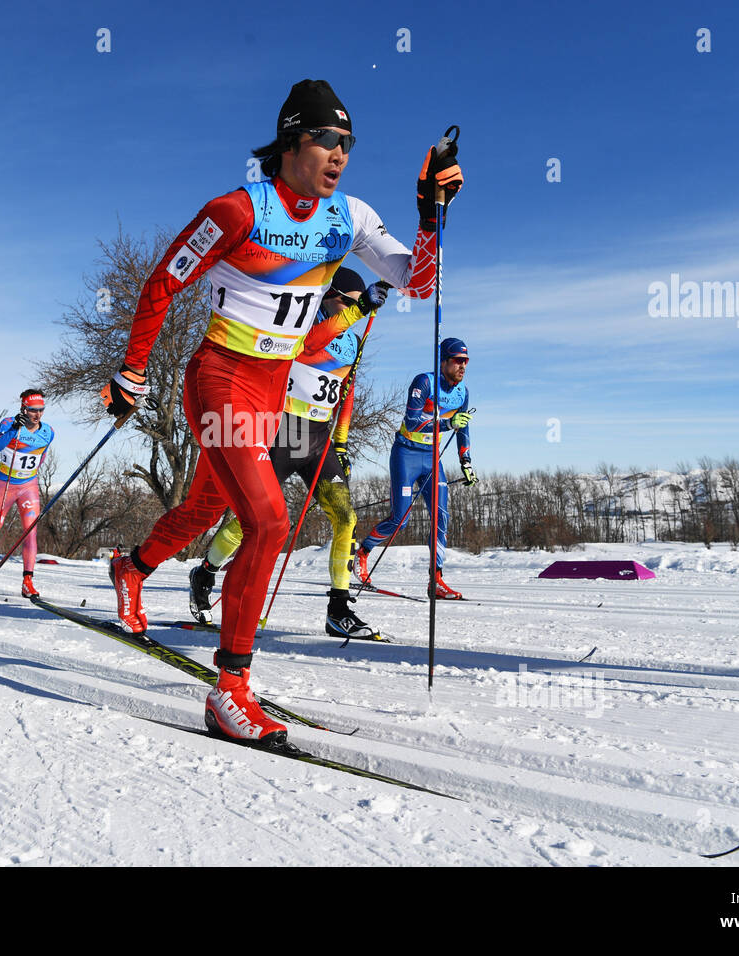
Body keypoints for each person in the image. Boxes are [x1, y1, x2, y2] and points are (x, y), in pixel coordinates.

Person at [100, 78, 462, 745]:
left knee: (212, 505)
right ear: (292, 141)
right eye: (328, 139)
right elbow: (163, 280)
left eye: (348, 144)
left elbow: (417, 281)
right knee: (268, 519)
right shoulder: (238, 210)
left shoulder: (348, 217)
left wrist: (429, 213)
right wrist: (131, 368)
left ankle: (133, 568)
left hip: (273, 389)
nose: (340, 155)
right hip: (221, 377)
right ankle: (230, 689)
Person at [189, 265, 381, 640]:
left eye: (360, 307)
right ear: (329, 296)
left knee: (346, 518)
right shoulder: (302, 322)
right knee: (256, 521)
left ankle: (338, 609)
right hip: (285, 432)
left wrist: (341, 442)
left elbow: (346, 394)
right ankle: (207, 571)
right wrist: (354, 313)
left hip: (319, 437)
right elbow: (310, 345)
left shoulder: (352, 342)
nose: (353, 312)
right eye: (347, 303)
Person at [355, 338, 476, 599]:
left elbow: (463, 427)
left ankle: (437, 580)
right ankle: (363, 552)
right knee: (401, 519)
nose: (462, 366)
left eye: (465, 361)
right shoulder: (424, 382)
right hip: (406, 454)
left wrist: (466, 462)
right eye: (457, 360)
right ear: (443, 361)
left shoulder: (462, 392)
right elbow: (412, 422)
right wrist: (447, 423)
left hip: (432, 458)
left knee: (441, 517)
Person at [0, 389, 54, 602]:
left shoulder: (48, 432)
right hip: (5, 485)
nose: (37, 415)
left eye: (41, 410)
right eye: (33, 410)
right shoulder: (9, 422)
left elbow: (42, 455)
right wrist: (14, 429)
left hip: (29, 485)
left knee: (30, 532)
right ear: (23, 408)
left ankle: (27, 582)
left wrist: (29, 470)